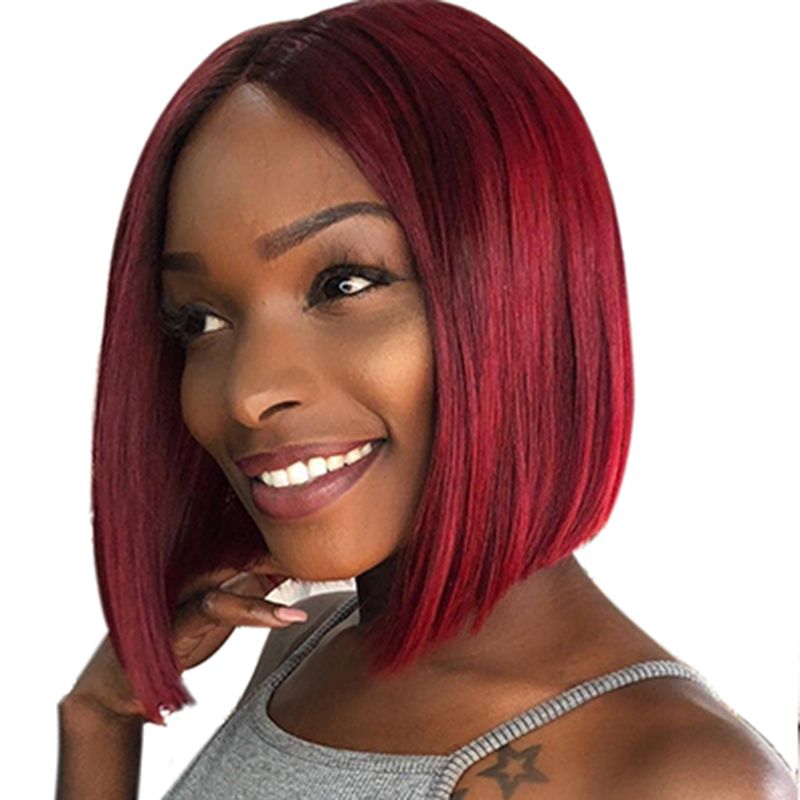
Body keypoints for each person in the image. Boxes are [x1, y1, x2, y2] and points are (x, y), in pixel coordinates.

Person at [55, 1, 796, 798]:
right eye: (198, 319)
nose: (247, 393)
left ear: (522, 293)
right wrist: (100, 717)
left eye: (344, 284)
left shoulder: (676, 776)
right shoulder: (300, 657)